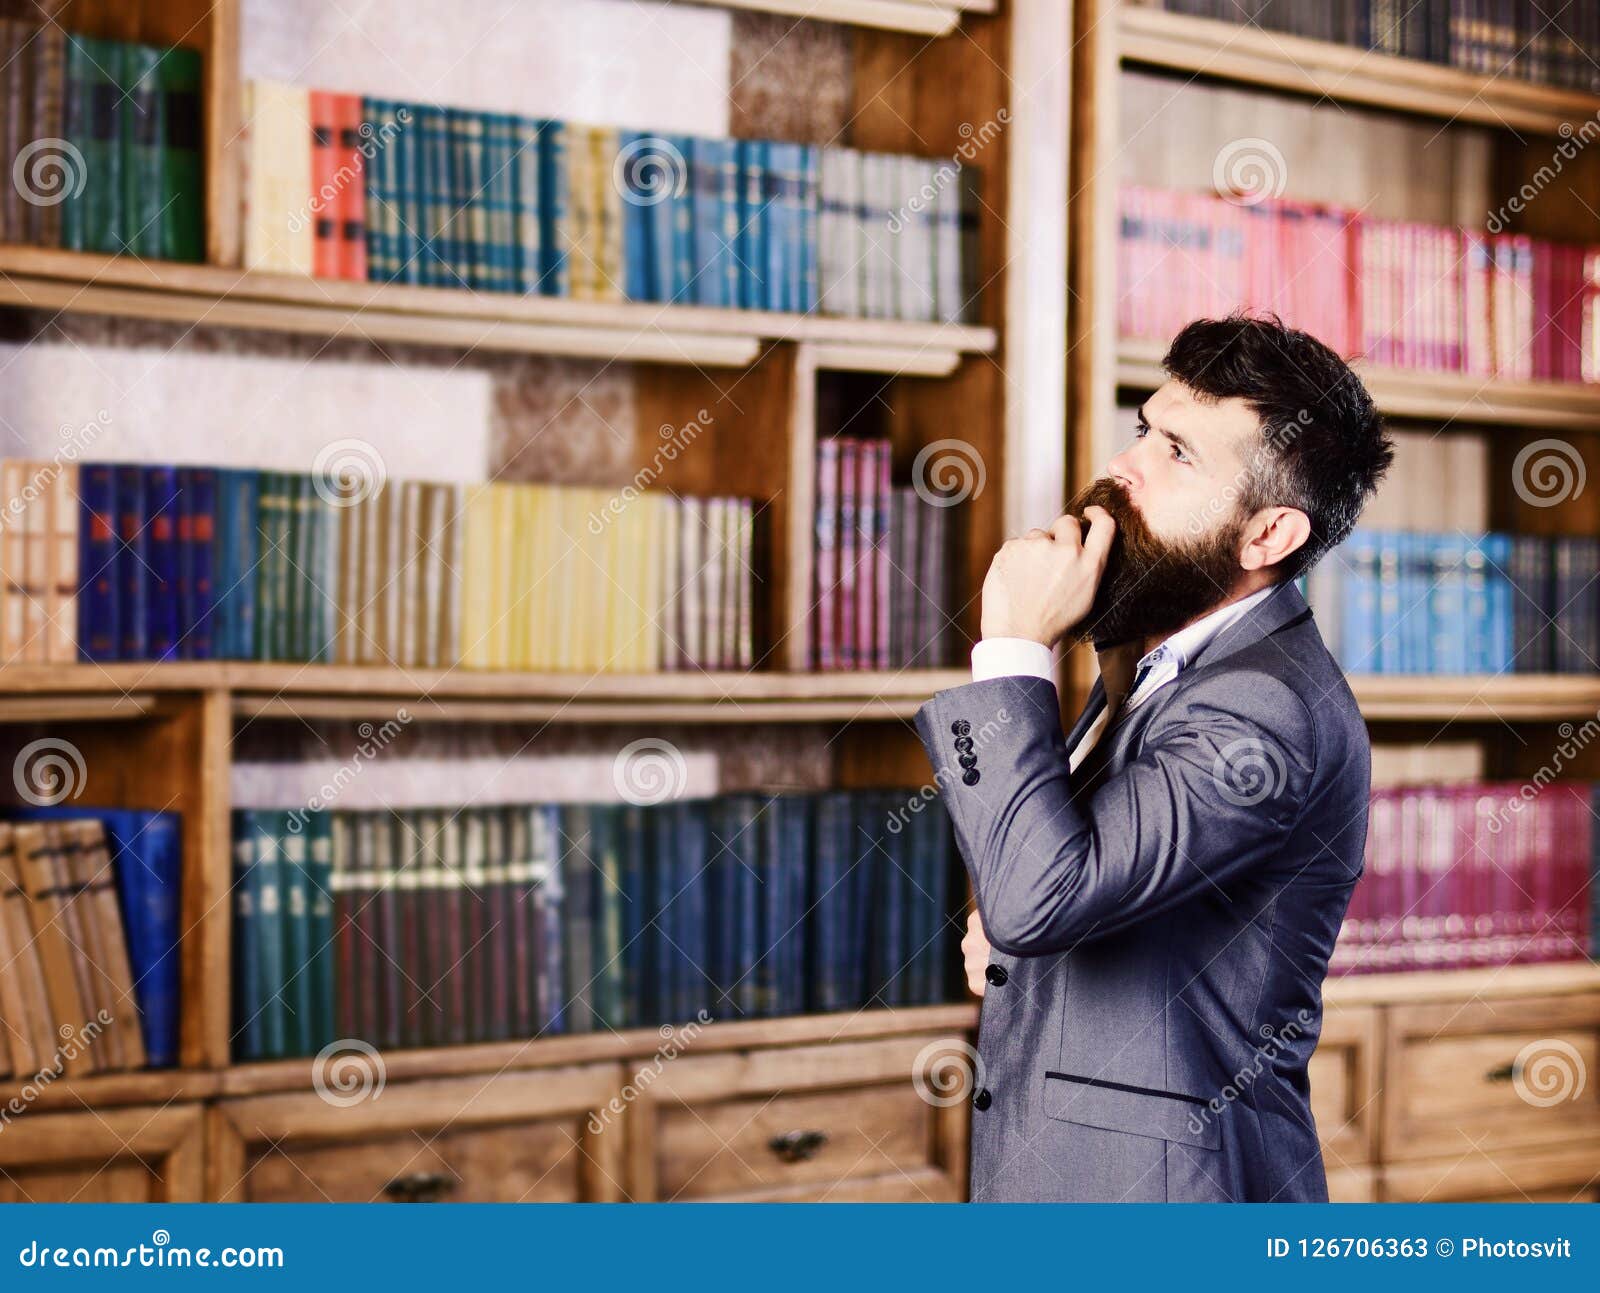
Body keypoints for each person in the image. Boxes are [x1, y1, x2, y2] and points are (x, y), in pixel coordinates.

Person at [913, 313, 1393, 1202]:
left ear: (1268, 536)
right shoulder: (1162, 657)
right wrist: (1017, 944)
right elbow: (1066, 889)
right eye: (1145, 428)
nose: (1125, 464)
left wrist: (1014, 646)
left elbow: (1040, 898)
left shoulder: (1264, 710)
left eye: (1177, 452)